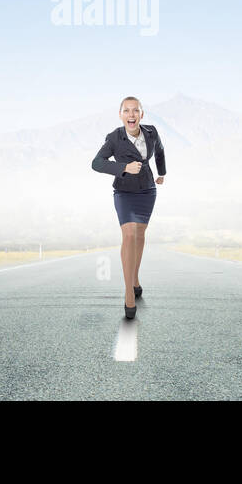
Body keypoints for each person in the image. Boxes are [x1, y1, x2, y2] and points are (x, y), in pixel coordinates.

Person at [91, 96, 166, 319]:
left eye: (135, 111)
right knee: (129, 234)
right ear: (121, 115)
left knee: (140, 235)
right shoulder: (114, 138)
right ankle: (128, 293)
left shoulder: (151, 132)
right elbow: (96, 163)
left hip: (146, 191)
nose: (131, 115)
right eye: (126, 111)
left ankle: (135, 279)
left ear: (142, 114)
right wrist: (123, 167)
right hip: (124, 192)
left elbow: (160, 151)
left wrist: (161, 173)